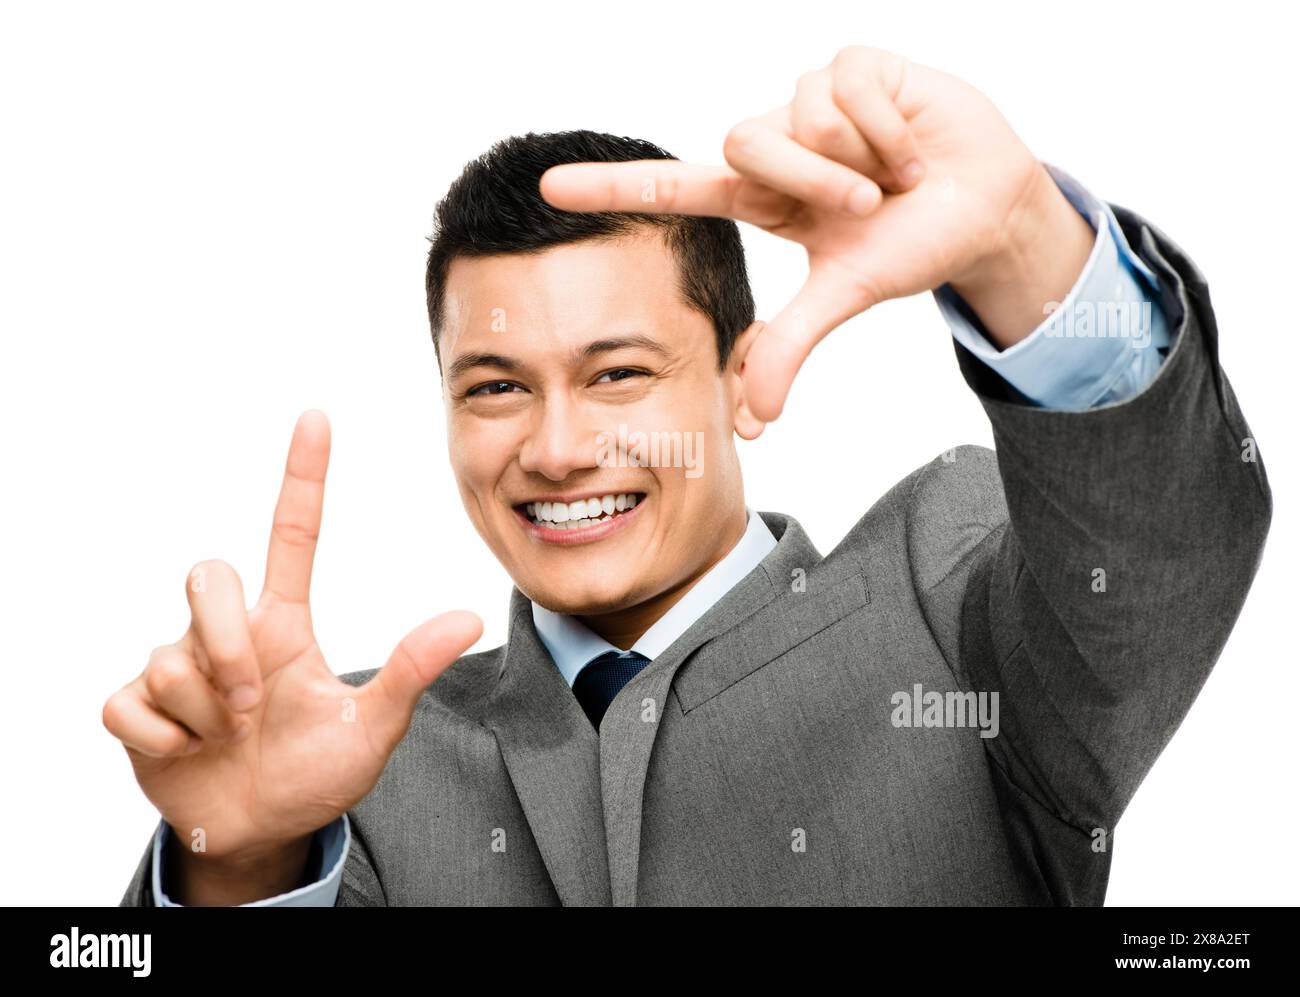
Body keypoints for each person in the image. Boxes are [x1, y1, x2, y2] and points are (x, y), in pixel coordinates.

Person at [106, 46, 1271, 906]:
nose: (555, 448)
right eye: (496, 387)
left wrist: (1023, 244)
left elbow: (1157, 551)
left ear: (737, 370)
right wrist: (243, 865)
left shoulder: (944, 592)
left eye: (616, 374)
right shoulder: (355, 761)